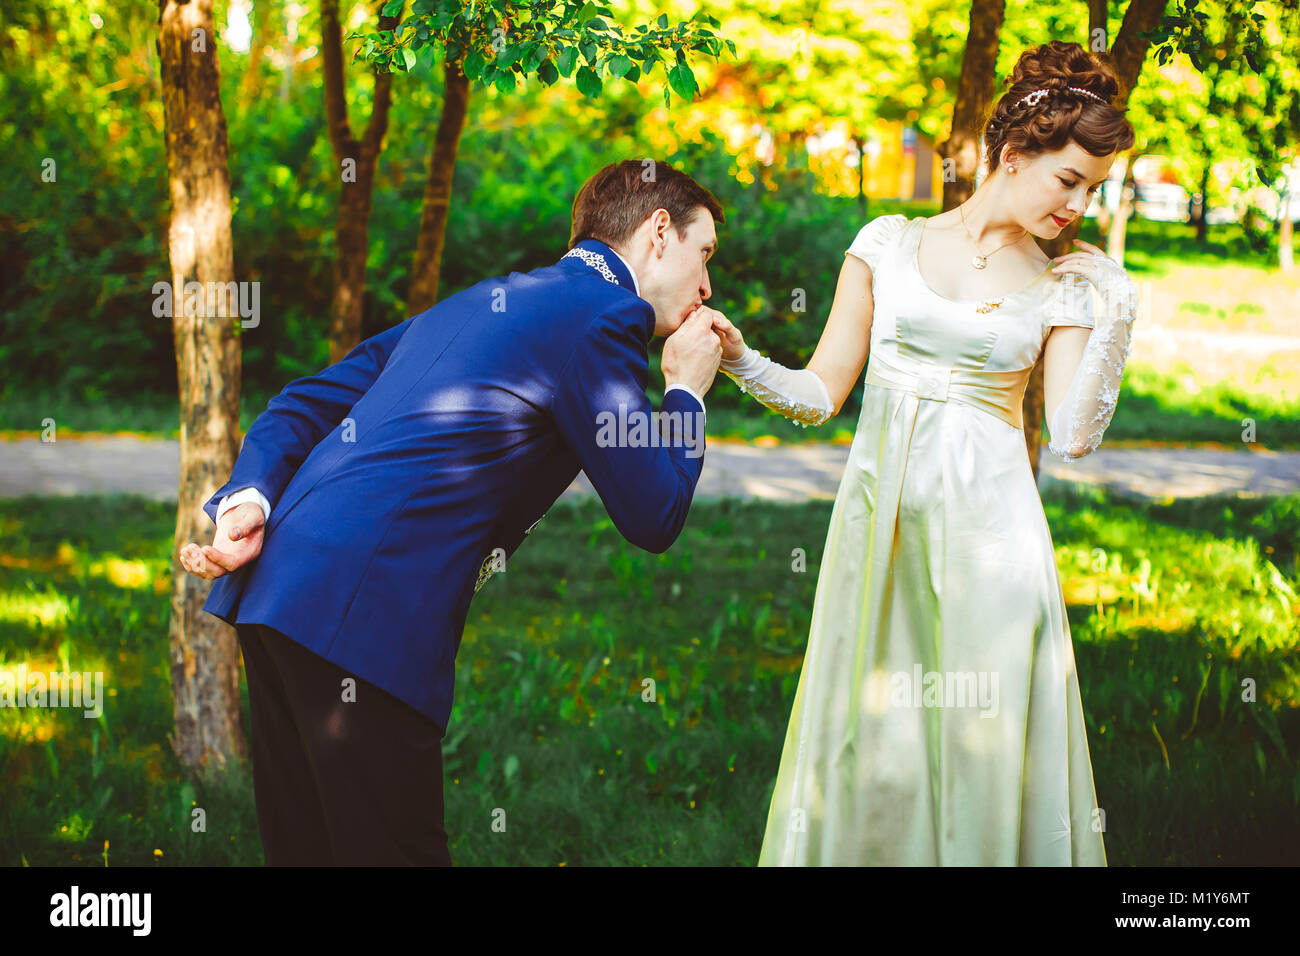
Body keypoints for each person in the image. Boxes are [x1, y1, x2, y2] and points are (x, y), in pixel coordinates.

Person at [178, 160, 727, 865]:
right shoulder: (604, 314)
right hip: (365, 613)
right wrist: (685, 394)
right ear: (658, 232)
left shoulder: (477, 301)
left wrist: (249, 500)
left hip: (277, 594)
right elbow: (655, 513)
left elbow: (301, 401)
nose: (708, 285)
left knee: (308, 848)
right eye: (703, 253)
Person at [710, 41, 1139, 865]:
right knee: (873, 740)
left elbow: (1076, 437)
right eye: (1069, 181)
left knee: (982, 736)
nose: (1078, 206)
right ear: (1015, 156)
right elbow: (819, 393)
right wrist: (736, 355)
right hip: (880, 539)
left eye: (1092, 188)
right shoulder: (886, 244)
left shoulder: (1065, 286)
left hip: (994, 548)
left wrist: (1113, 304)